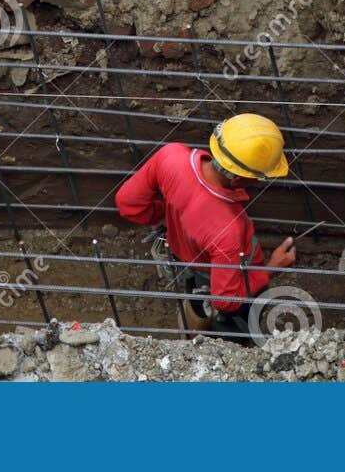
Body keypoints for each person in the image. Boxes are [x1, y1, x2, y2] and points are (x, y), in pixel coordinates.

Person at [115, 113, 297, 341]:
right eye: (259, 177)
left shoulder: (171, 156)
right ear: (238, 180)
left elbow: (128, 203)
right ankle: (229, 340)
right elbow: (226, 299)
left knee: (197, 291)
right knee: (234, 314)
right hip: (223, 272)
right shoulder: (228, 229)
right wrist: (271, 267)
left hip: (186, 258)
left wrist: (172, 214)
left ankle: (194, 321)